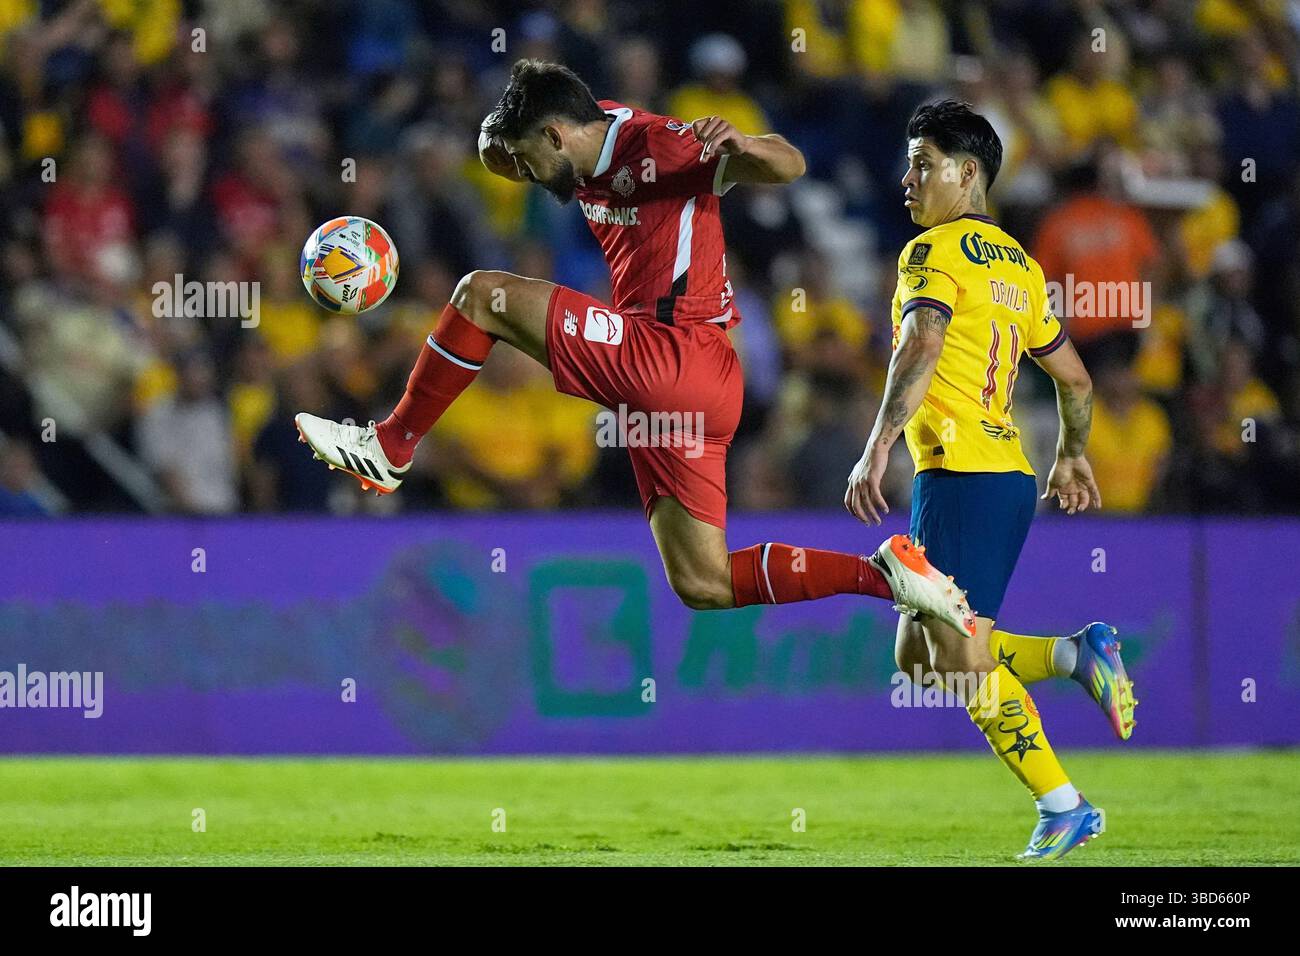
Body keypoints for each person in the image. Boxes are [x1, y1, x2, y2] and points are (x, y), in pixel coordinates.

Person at [295, 59, 975, 634]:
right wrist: (496, 137)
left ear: (558, 135)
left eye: (531, 158)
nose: (523, 176)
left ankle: (391, 446)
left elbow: (790, 163)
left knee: (482, 296)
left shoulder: (664, 144)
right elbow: (495, 154)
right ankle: (886, 573)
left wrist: (738, 147)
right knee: (703, 581)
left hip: (674, 353)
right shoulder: (584, 138)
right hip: (690, 391)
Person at [844, 100, 1138, 860]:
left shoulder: (932, 253)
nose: (907, 180)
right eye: (908, 163)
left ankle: (1064, 803)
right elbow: (1074, 379)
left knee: (960, 659)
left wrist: (876, 445)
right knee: (917, 657)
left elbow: (921, 347)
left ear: (967, 173)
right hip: (997, 475)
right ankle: (1077, 656)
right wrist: (1072, 452)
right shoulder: (1021, 266)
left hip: (964, 477)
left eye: (923, 163)